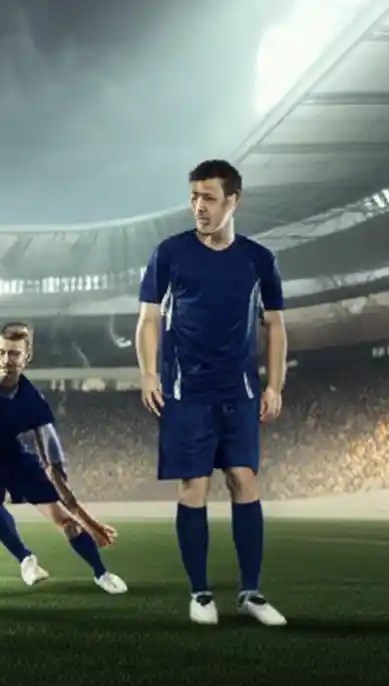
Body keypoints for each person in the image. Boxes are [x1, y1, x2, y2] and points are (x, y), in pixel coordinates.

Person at [136, 159, 288, 626]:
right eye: (194, 197)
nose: (198, 207)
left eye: (209, 198)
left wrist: (275, 384)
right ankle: (201, 593)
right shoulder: (170, 253)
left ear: (233, 200)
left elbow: (275, 324)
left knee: (244, 480)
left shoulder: (258, 259)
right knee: (193, 486)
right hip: (185, 391)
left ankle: (251, 592)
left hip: (239, 389)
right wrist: (147, 374)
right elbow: (147, 318)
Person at [0, 322, 127, 594]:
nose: (6, 360)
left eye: (14, 354)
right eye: (1, 352)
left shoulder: (34, 404)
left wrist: (90, 524)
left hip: (6, 451)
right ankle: (26, 559)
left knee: (64, 520)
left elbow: (54, 472)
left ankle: (102, 574)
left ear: (26, 358)